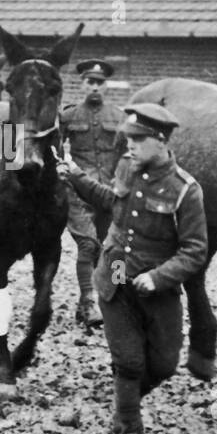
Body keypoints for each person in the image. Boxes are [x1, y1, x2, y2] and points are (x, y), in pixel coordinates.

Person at [58, 103, 209, 434]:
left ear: (160, 142)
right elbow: (112, 202)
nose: (129, 146)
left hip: (157, 287)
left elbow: (195, 250)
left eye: (138, 140)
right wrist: (76, 177)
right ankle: (130, 428)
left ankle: (124, 407)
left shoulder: (186, 191)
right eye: (128, 138)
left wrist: (158, 278)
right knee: (129, 360)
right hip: (114, 273)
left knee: (165, 364)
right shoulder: (127, 166)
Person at [60, 59, 125, 329]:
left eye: (100, 82)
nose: (95, 87)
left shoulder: (120, 117)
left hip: (108, 193)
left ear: (106, 86)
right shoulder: (68, 116)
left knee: (112, 248)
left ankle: (114, 299)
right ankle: (89, 301)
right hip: (77, 192)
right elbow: (54, 149)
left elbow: (126, 153)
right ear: (82, 84)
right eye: (90, 82)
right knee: (88, 245)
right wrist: (62, 169)